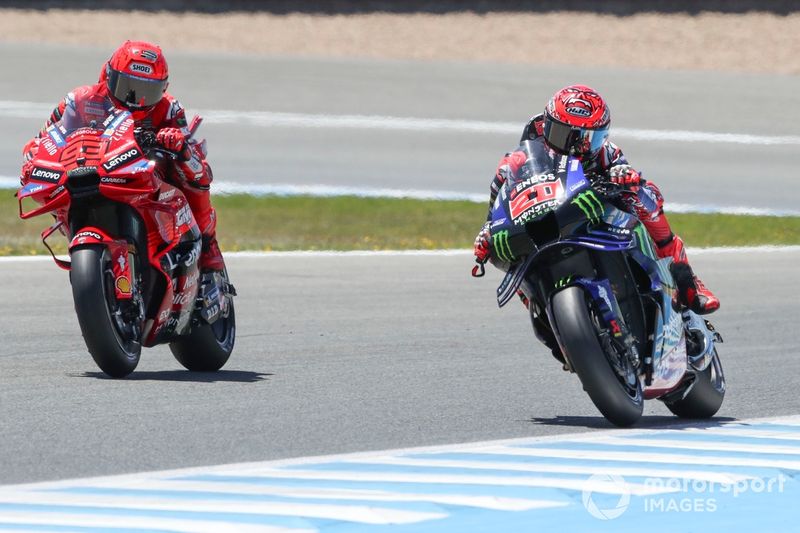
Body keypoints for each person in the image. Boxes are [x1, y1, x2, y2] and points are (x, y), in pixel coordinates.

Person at [473, 84, 719, 315]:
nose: (574, 146)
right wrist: (486, 231)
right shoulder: (515, 162)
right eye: (564, 135)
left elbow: (626, 172)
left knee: (645, 194)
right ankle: (551, 323)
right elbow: (495, 208)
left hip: (596, 214)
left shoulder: (606, 152)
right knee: (513, 256)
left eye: (585, 139)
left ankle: (687, 280)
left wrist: (623, 176)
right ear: (548, 127)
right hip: (547, 217)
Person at [20, 40, 224, 272]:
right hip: (97, 170)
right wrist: (32, 158)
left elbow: (187, 144)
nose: (137, 100)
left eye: (149, 91)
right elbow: (45, 138)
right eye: (128, 87)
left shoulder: (169, 108)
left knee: (195, 170)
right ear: (109, 76)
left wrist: (176, 141)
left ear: (163, 88)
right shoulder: (79, 100)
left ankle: (209, 246)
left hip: (147, 171)